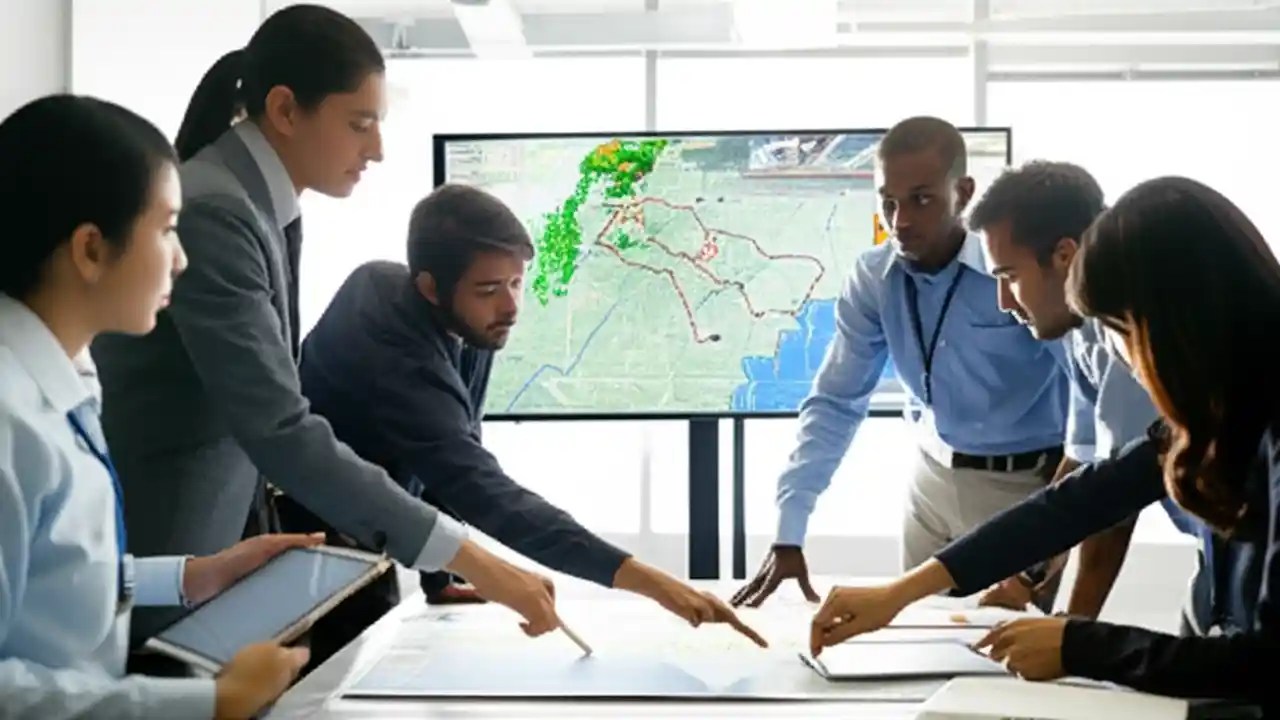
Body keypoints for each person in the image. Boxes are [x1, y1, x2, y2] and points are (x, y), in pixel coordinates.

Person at [89, 2, 558, 653]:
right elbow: (280, 427)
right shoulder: (219, 212)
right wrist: (476, 558)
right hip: (160, 548)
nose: (378, 149)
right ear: (284, 111)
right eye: (360, 123)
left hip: (205, 558)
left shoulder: (260, 208)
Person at [809, 175, 1280, 710]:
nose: (1124, 358)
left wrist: (1077, 644)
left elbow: (1267, 660)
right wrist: (901, 592)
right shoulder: (1224, 400)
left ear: (1181, 317)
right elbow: (1083, 498)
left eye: (1123, 330)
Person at [292, 184, 769, 664]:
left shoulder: (470, 322)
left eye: (516, 283)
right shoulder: (391, 345)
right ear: (430, 287)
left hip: (378, 528)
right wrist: (650, 581)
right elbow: (475, 484)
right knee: (327, 689)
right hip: (309, 546)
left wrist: (442, 578)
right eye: (489, 289)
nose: (511, 307)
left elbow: (451, 449)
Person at [0, 93, 327, 720]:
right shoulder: (11, 420)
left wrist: (194, 575)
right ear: (91, 249)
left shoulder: (64, 379)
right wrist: (210, 701)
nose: (180, 257)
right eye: (168, 228)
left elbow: (50, 580)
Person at [731, 116, 1068, 609]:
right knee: (919, 651)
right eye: (888, 202)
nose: (901, 220)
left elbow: (1089, 401)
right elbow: (835, 402)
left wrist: (1049, 543)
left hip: (1020, 490)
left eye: (921, 199)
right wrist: (790, 529)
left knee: (1008, 666)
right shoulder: (874, 278)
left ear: (964, 193)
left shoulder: (1013, 271)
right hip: (928, 484)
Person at [969, 160, 1219, 622]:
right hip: (1216, 549)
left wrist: (1071, 634)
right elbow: (1081, 465)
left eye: (1009, 277)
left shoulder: (1126, 332)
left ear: (1065, 256)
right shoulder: (1075, 330)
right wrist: (1029, 577)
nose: (1004, 302)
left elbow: (1112, 505)